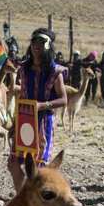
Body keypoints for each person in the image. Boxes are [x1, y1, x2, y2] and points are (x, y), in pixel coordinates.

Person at [8, 28, 67, 191]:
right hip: (24, 119)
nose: (36, 46)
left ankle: (36, 203)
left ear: (48, 46)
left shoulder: (56, 72)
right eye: (34, 42)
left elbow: (63, 99)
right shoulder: (24, 69)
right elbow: (23, 94)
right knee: (14, 163)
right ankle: (22, 198)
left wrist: (43, 105)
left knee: (39, 165)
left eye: (41, 43)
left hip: (43, 123)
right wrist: (15, 121)